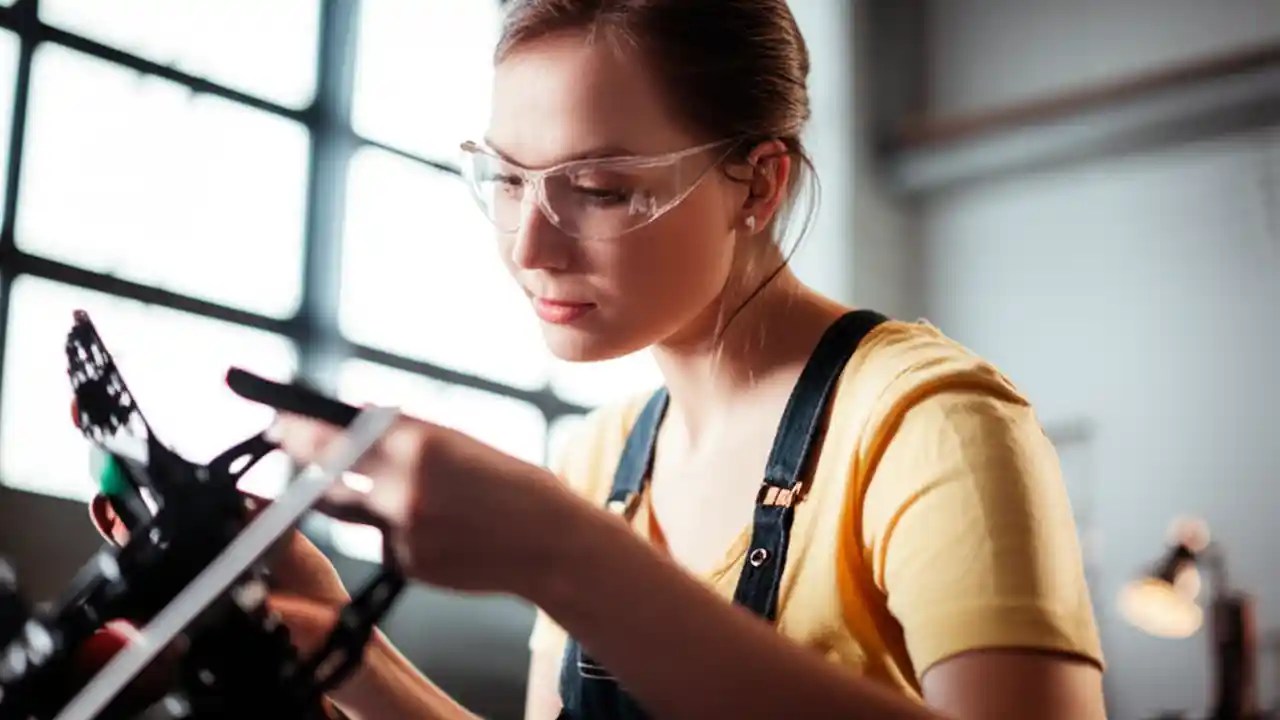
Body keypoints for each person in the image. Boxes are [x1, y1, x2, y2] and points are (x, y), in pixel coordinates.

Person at [102, 1, 1110, 718]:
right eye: (504, 179)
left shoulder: (929, 428)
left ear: (756, 186)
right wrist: (336, 639)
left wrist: (564, 554)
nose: (529, 246)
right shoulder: (604, 460)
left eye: (599, 189)